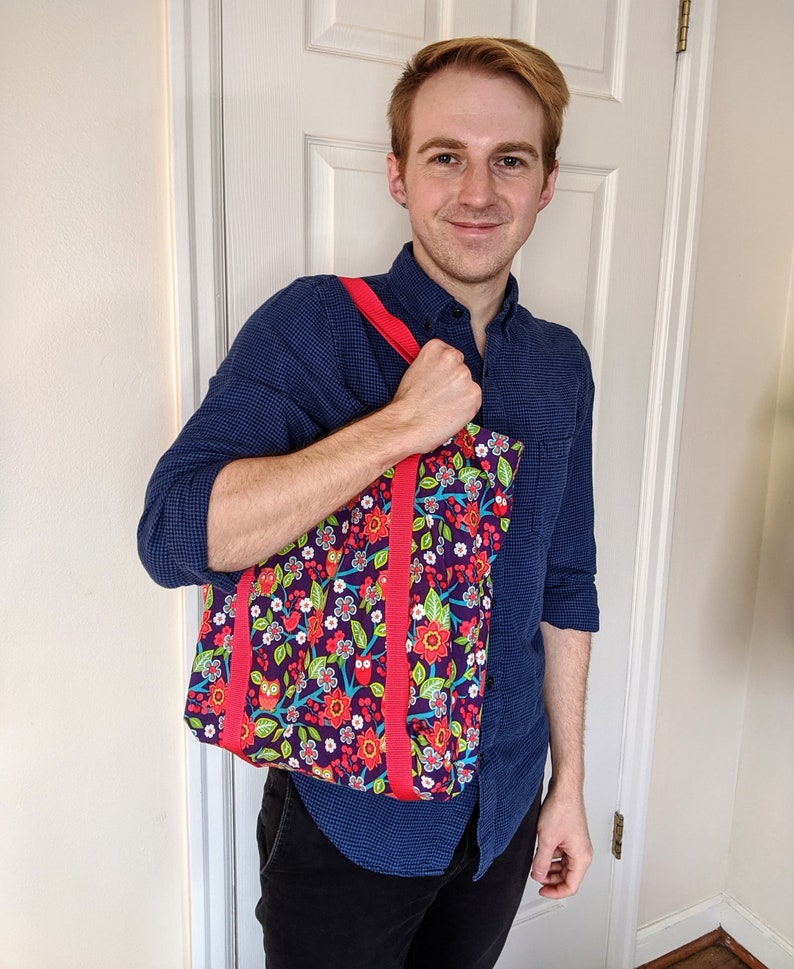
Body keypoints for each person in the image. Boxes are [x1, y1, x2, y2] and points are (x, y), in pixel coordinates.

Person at [139, 36, 598, 969]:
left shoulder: (560, 366)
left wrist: (570, 786)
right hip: (350, 819)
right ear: (398, 174)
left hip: (504, 804)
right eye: (445, 157)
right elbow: (175, 530)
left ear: (546, 183)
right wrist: (397, 428)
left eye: (509, 159)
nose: (478, 192)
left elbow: (568, 581)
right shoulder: (316, 325)